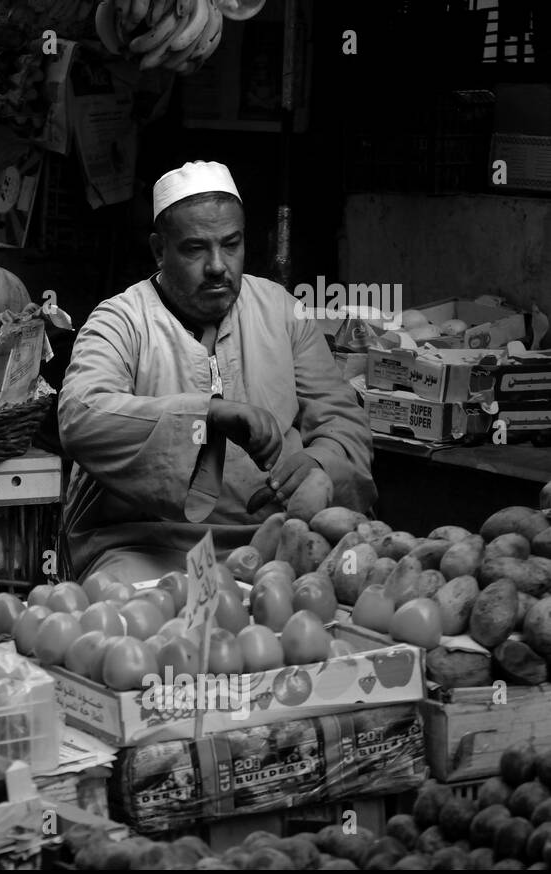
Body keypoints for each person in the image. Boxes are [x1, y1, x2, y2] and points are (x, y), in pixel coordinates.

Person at [57, 160, 376, 583]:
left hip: (274, 538)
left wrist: (319, 460)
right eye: (195, 248)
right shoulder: (120, 320)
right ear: (158, 249)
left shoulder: (282, 311)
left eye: (231, 244)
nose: (217, 266)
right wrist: (208, 415)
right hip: (146, 544)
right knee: (124, 618)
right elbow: (82, 415)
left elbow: (342, 420)